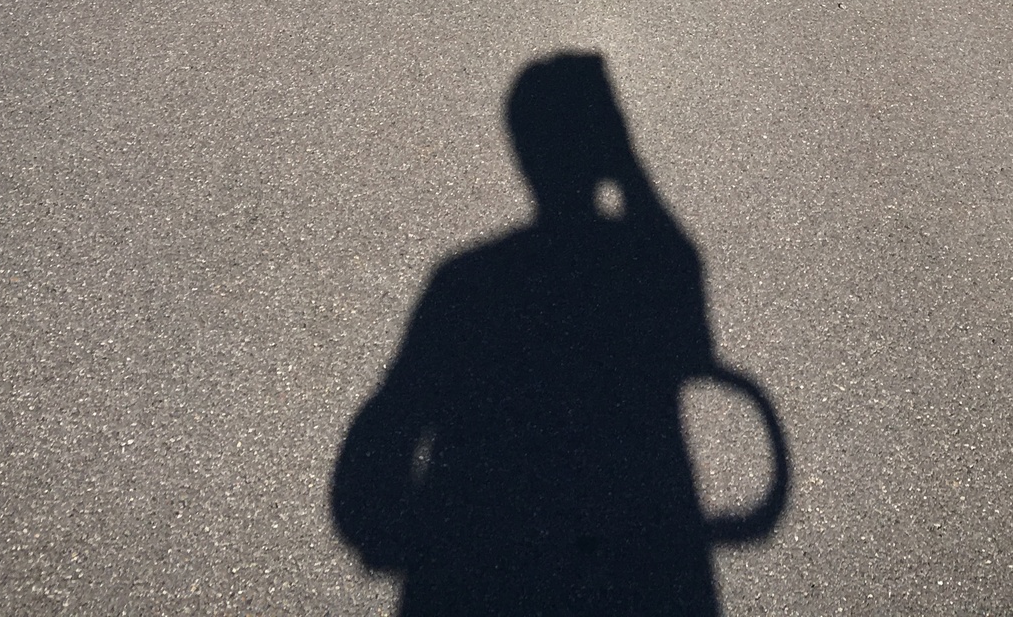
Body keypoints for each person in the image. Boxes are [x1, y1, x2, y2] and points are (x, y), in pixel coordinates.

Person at [329, 52, 786, 615]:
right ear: (610, 146)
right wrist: (626, 165)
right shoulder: (657, 262)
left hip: (480, 562)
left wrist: (397, 535)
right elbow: (684, 325)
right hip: (643, 553)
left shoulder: (466, 282)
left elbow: (392, 419)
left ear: (523, 153)